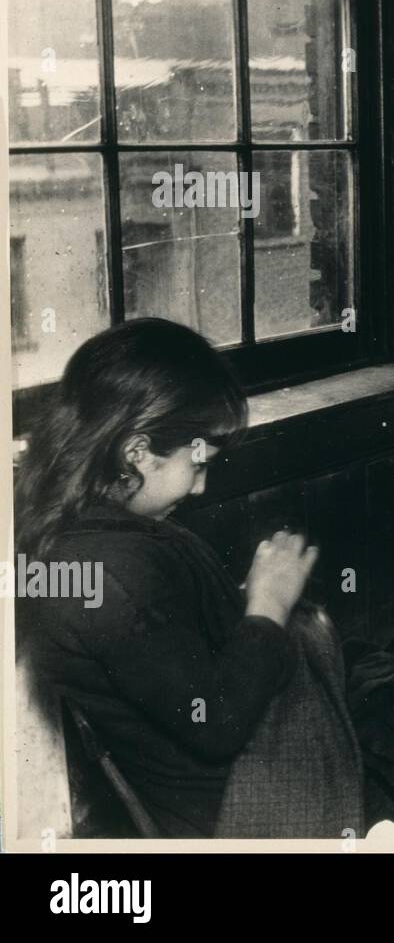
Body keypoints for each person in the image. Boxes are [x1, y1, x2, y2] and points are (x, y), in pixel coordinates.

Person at [15, 319, 342, 837]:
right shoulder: (106, 577)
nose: (200, 486)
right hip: (237, 804)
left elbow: (165, 651)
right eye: (198, 464)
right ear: (137, 452)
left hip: (226, 776)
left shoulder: (80, 537)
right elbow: (213, 721)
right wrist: (268, 605)